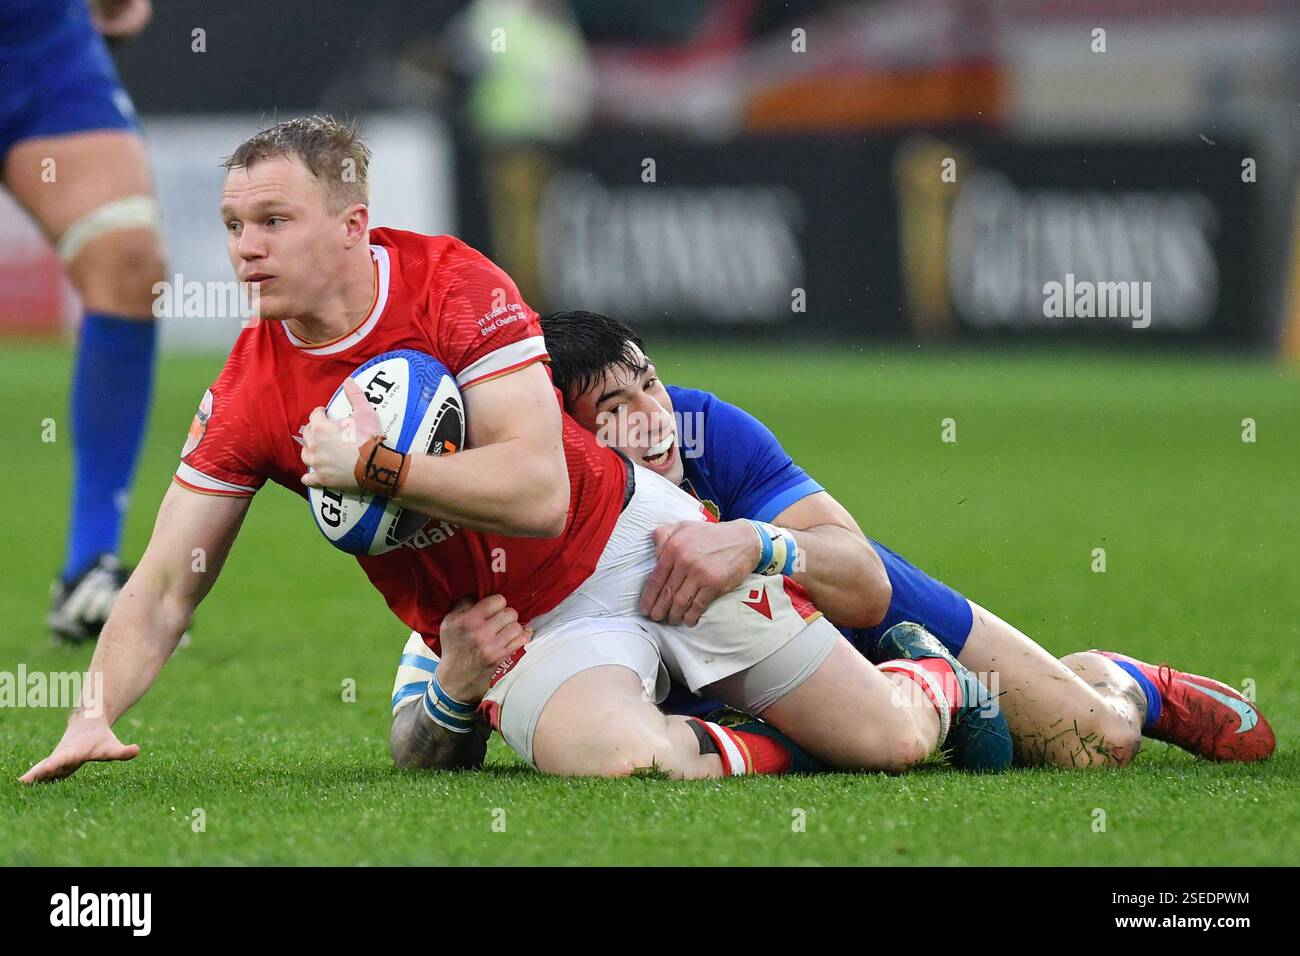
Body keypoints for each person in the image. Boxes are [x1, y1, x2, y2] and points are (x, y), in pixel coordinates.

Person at [21, 116, 1010, 787]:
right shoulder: (248, 391)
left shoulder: (456, 285)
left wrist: (376, 468)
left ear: (352, 225)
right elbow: (163, 584)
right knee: (620, 758)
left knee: (887, 740)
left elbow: (538, 491)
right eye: (235, 225)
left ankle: (926, 676)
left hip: (634, 536)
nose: (246, 248)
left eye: (274, 221)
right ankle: (771, 736)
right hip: (520, 622)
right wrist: (93, 706)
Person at [388, 309, 1274, 770]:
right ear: (565, 445)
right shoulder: (513, 524)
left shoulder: (706, 430)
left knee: (1097, 748)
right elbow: (416, 743)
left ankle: (1124, 684)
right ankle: (911, 705)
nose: (651, 422)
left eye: (650, 384)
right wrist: (456, 695)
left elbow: (860, 574)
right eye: (610, 412)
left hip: (854, 616)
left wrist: (760, 547)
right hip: (774, 685)